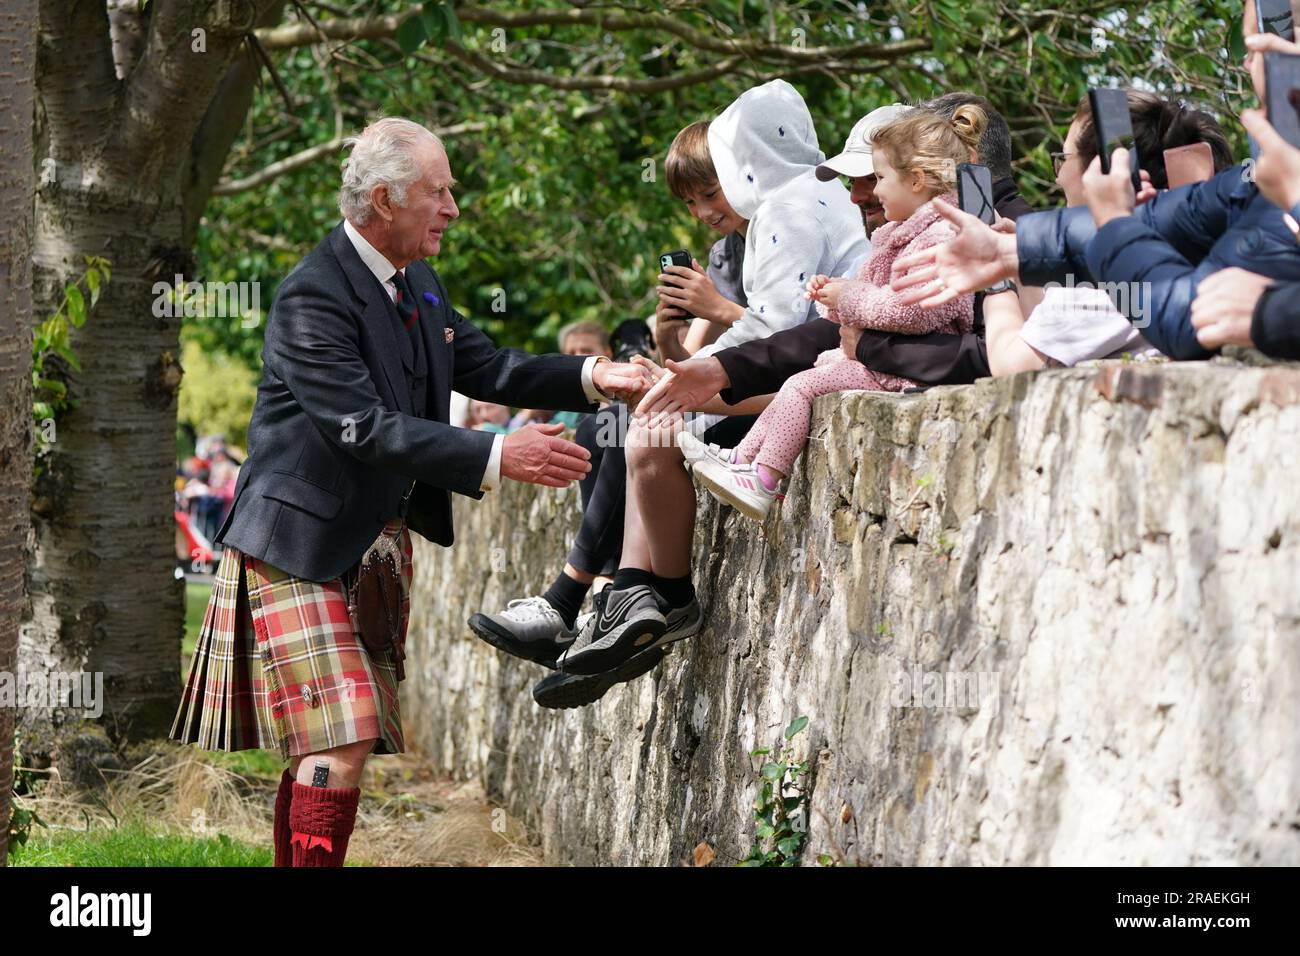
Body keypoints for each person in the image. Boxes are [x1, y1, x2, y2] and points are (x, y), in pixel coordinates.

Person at [169, 117, 651, 867]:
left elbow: (492, 369)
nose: (454, 207)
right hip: (297, 541)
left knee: (327, 747)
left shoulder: (418, 282)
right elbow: (362, 427)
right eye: (440, 191)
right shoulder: (312, 297)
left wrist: (597, 378)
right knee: (344, 734)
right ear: (387, 199)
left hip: (372, 546)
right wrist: (497, 453)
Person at [551, 80, 870, 678]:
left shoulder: (786, 208)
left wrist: (687, 375)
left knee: (649, 424)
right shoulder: (819, 192)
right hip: (809, 363)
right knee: (648, 419)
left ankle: (654, 594)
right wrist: (683, 366)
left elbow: (771, 331)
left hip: (808, 372)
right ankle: (634, 593)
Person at [469, 115, 757, 709]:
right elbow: (698, 357)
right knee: (605, 417)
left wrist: (717, 309)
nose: (703, 210)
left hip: (760, 399)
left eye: (711, 193)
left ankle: (579, 599)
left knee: (632, 420)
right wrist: (670, 339)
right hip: (719, 388)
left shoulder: (791, 232)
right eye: (692, 200)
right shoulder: (725, 253)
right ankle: (597, 601)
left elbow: (783, 338)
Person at [890, 0, 1300, 361]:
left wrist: (1271, 314)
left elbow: (1187, 318)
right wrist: (1012, 250)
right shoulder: (1260, 185)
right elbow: (1174, 219)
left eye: (1263, 41)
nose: (1250, 62)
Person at [672, 107, 985, 525]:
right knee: (807, 378)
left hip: (904, 372)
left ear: (915, 179)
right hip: (885, 361)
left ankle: (763, 477)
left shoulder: (942, 235)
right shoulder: (907, 230)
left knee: (801, 386)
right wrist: (832, 301)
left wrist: (848, 298)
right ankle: (743, 461)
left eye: (877, 179)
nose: (859, 194)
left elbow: (916, 313)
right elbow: (878, 290)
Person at [986, 91, 1234, 375]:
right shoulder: (1196, 238)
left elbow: (1010, 365)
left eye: (1063, 158)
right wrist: (1028, 260)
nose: (1058, 175)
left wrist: (994, 274)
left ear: (1101, 168)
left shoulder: (1109, 271)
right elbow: (1043, 330)